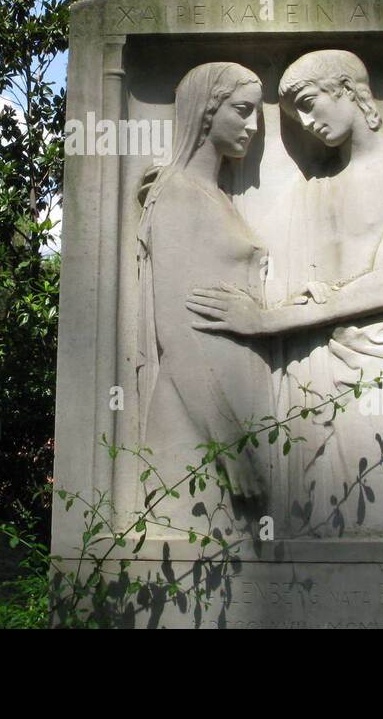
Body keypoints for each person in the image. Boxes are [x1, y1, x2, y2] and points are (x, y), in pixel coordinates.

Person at [186, 50, 383, 535]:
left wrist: (266, 321)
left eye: (309, 103)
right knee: (319, 522)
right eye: (295, 114)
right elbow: (245, 249)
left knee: (379, 523)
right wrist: (177, 191)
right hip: (317, 376)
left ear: (348, 89)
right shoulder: (312, 193)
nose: (305, 123)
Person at [136, 62, 273, 533]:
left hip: (235, 406)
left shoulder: (215, 197)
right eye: (242, 110)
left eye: (257, 114)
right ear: (206, 111)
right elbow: (173, 331)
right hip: (197, 427)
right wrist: (232, 450)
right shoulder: (177, 195)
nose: (253, 126)